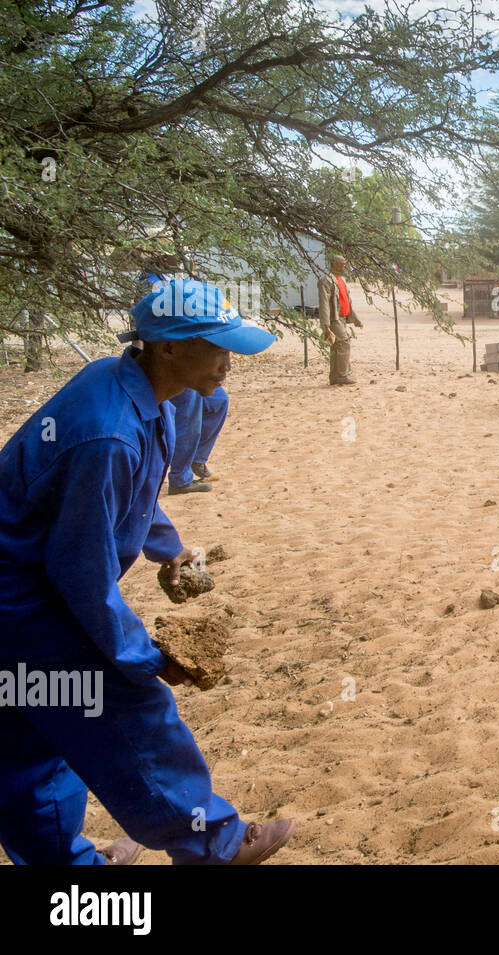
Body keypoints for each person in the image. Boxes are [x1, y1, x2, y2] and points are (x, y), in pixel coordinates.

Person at [0, 278, 295, 865]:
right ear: (166, 347)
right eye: (216, 346)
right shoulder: (106, 432)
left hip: (23, 591)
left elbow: (129, 496)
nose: (228, 361)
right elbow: (78, 574)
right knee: (128, 708)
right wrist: (143, 658)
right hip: (26, 602)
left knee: (28, 740)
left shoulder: (133, 391)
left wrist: (169, 548)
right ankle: (218, 845)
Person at [138, 267, 231, 495]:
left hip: (185, 358)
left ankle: (196, 459)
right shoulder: (148, 283)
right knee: (188, 415)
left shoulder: (170, 279)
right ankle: (180, 478)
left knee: (218, 402)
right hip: (177, 363)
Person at [318, 254, 364, 385]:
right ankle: (342, 375)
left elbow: (347, 302)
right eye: (340, 263)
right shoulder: (325, 281)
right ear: (333, 263)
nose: (343, 266)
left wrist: (356, 320)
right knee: (344, 343)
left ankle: (334, 377)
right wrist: (326, 324)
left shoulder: (342, 280)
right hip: (334, 319)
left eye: (344, 263)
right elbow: (324, 303)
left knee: (336, 347)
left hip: (343, 318)